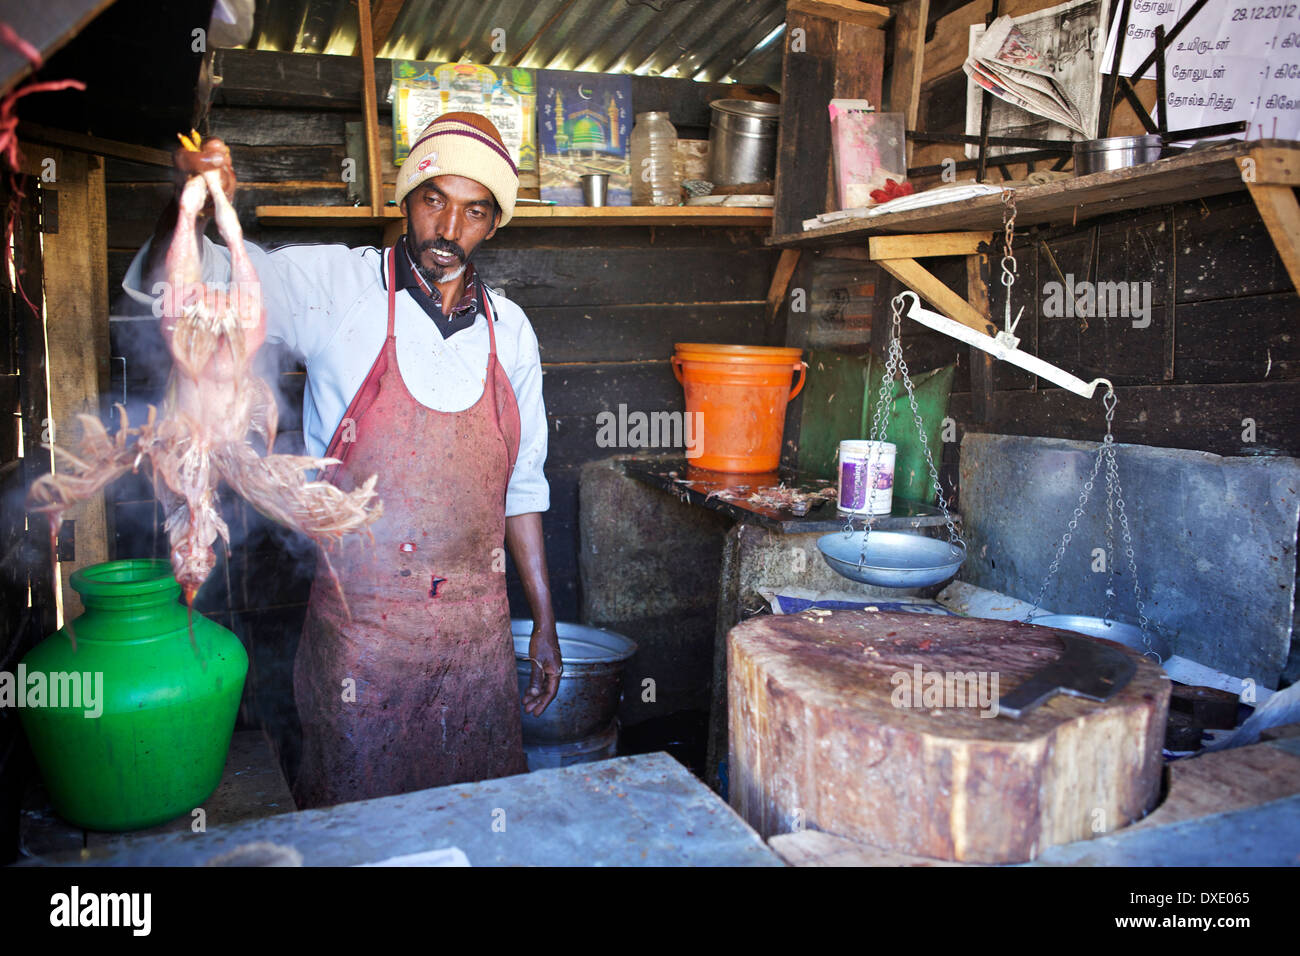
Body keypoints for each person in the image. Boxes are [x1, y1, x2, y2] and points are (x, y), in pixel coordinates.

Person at [123, 112, 562, 808]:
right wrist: (193, 208)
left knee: (480, 826)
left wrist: (541, 620)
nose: (449, 227)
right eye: (433, 200)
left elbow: (524, 486)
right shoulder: (337, 288)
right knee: (361, 830)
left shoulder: (512, 333)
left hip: (476, 648)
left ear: (494, 223)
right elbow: (193, 286)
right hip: (362, 649)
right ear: (405, 200)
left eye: (475, 211)